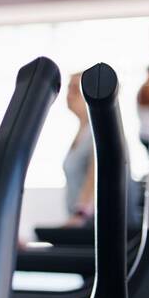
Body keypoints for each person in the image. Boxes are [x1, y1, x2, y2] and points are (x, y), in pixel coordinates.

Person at [62, 72, 94, 225]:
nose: (69, 94)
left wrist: (81, 214)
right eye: (68, 89)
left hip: (90, 224)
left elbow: (95, 176)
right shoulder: (82, 132)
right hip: (77, 221)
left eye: (75, 89)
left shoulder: (97, 133)